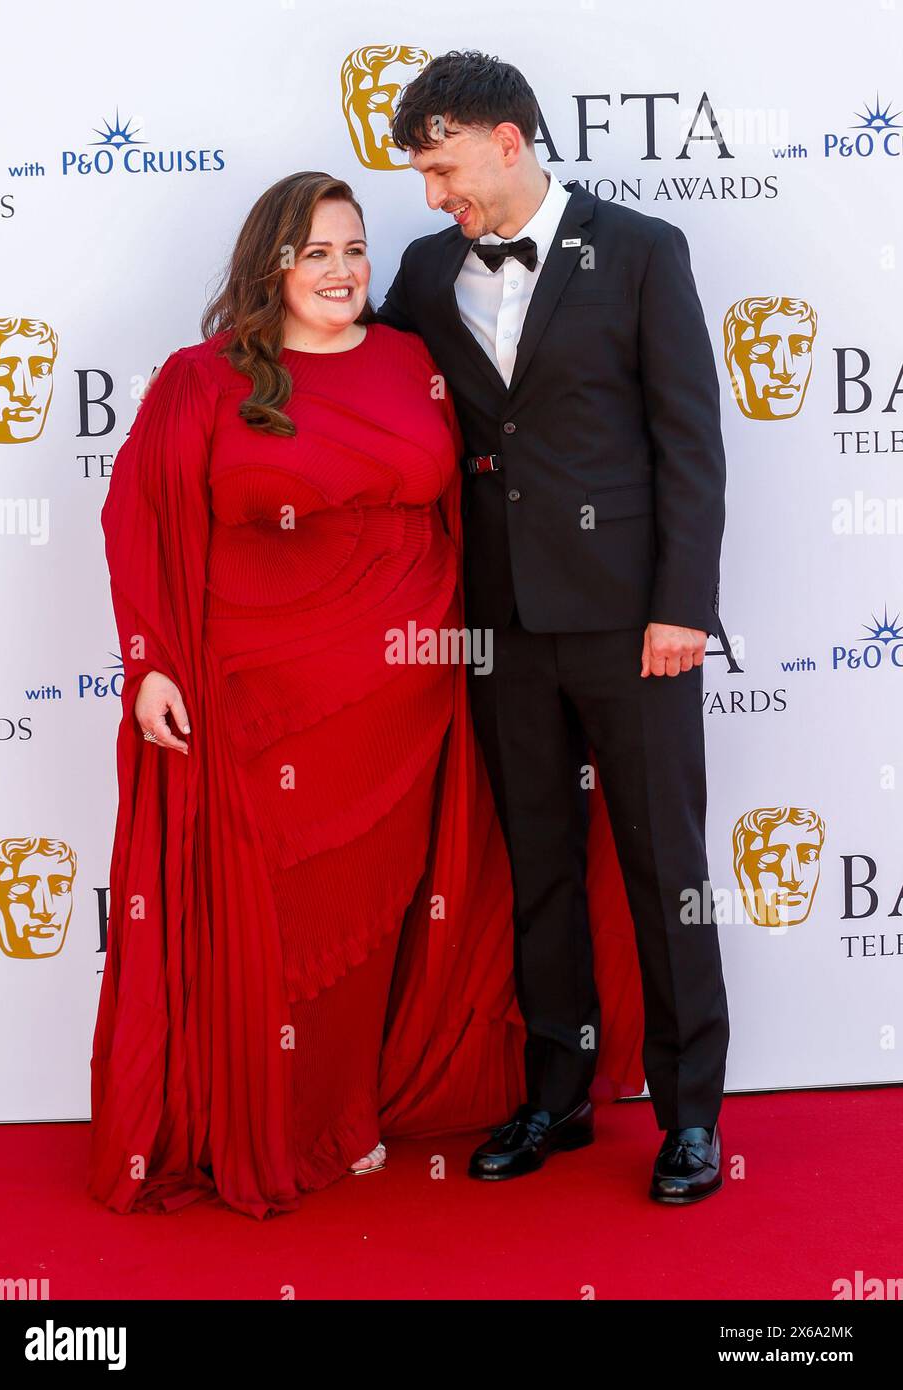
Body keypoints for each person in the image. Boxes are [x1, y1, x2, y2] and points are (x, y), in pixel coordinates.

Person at [88, 170, 645, 1220]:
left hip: (403, 689)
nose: (341, 271)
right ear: (271, 267)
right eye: (314, 253)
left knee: (368, 917)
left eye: (352, 249)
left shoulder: (412, 362)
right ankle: (267, 1120)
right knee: (275, 917)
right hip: (259, 692)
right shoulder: (200, 379)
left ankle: (345, 1110)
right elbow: (139, 519)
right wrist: (149, 658)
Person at [376, 50, 733, 1203]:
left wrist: (682, 607)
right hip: (501, 628)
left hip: (636, 625)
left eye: (441, 167)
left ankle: (689, 1118)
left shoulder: (640, 251)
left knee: (664, 868)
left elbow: (690, 444)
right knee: (537, 870)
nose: (433, 197)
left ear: (506, 139)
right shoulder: (428, 275)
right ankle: (557, 1099)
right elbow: (370, 391)